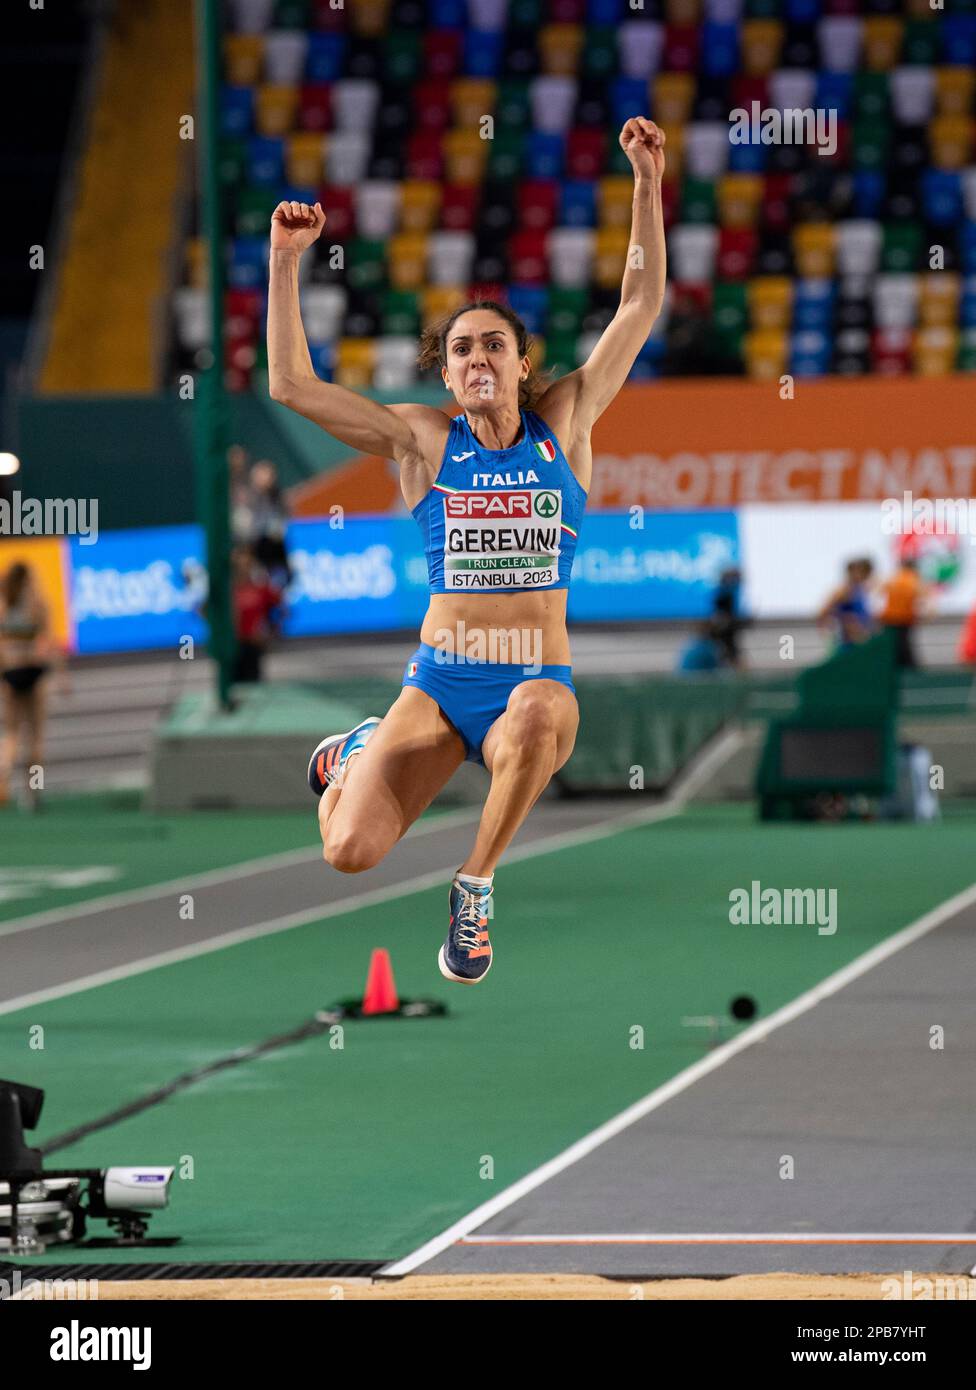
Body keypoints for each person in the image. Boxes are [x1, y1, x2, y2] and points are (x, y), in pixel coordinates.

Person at [266, 117, 667, 984]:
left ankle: (474, 889)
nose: (477, 356)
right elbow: (291, 386)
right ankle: (364, 744)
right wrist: (286, 260)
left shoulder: (569, 420)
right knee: (349, 851)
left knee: (531, 720)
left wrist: (644, 182)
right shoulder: (422, 444)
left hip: (536, 677)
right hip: (441, 679)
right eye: (460, 349)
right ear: (444, 376)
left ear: (523, 365)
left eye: (494, 343)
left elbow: (638, 305)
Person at [0, 562, 66, 806]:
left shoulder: (4, 606)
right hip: (33, 671)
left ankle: (3, 780)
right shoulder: (37, 605)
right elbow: (50, 641)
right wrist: (62, 676)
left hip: (11, 672)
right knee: (35, 736)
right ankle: (33, 791)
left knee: (11, 734)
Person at [231, 546, 283, 684]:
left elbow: (282, 608)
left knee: (253, 687)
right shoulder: (227, 592)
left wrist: (272, 631)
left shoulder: (260, 588)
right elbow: (204, 609)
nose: (242, 569)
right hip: (231, 647)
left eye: (247, 564)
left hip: (253, 646)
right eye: (238, 565)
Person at [878, 555, 926, 669]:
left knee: (895, 645)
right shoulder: (912, 580)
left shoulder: (893, 579)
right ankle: (909, 667)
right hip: (904, 619)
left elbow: (879, 594)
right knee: (903, 645)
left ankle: (897, 665)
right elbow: (922, 599)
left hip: (889, 618)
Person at [818, 558, 875, 650]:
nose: (860, 575)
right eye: (858, 571)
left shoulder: (861, 589)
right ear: (850, 572)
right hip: (848, 641)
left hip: (862, 639)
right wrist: (827, 628)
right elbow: (823, 611)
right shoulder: (843, 591)